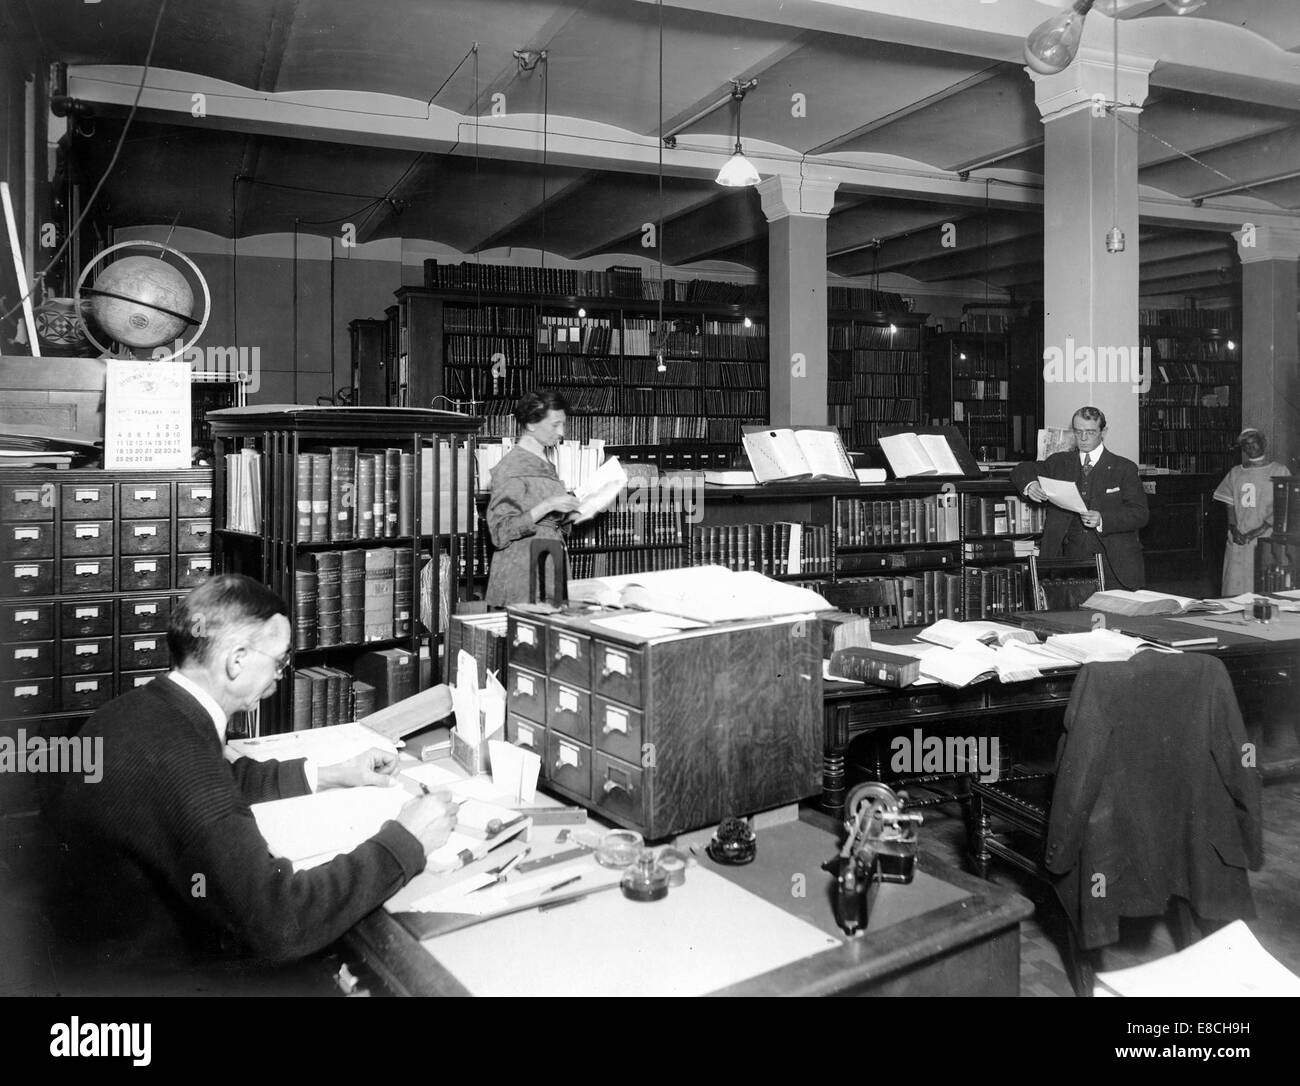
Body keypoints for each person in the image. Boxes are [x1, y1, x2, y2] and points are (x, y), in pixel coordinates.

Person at [40, 573, 457, 990]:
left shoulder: (145, 711)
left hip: (97, 955)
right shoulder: (186, 764)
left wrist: (330, 775)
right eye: (278, 662)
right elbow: (283, 921)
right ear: (236, 659)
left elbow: (213, 780)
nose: (280, 677)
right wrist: (407, 839)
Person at [1010, 406, 1148, 590]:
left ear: (1103, 432)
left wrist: (1102, 519)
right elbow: (1022, 469)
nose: (1083, 438)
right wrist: (1030, 485)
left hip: (1113, 565)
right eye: (1078, 432)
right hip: (1066, 561)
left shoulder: (1124, 468)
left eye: (1090, 432)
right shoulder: (1059, 462)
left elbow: (1140, 514)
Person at [484, 389, 582, 606]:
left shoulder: (545, 463)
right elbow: (500, 533)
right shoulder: (511, 467)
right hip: (522, 574)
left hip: (549, 565)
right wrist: (548, 505)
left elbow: (547, 524)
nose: (562, 432)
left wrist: (569, 516)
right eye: (555, 424)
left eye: (563, 424)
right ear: (531, 424)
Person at [1213, 428, 1288, 595]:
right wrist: (1233, 529)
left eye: (1254, 443)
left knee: (1265, 587)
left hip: (1267, 537)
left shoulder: (1279, 470)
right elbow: (1229, 504)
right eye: (1246, 445)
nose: (1250, 447)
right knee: (1236, 588)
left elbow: (1284, 507)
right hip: (1240, 538)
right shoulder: (1235, 472)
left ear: (1263, 444)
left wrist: (1258, 531)